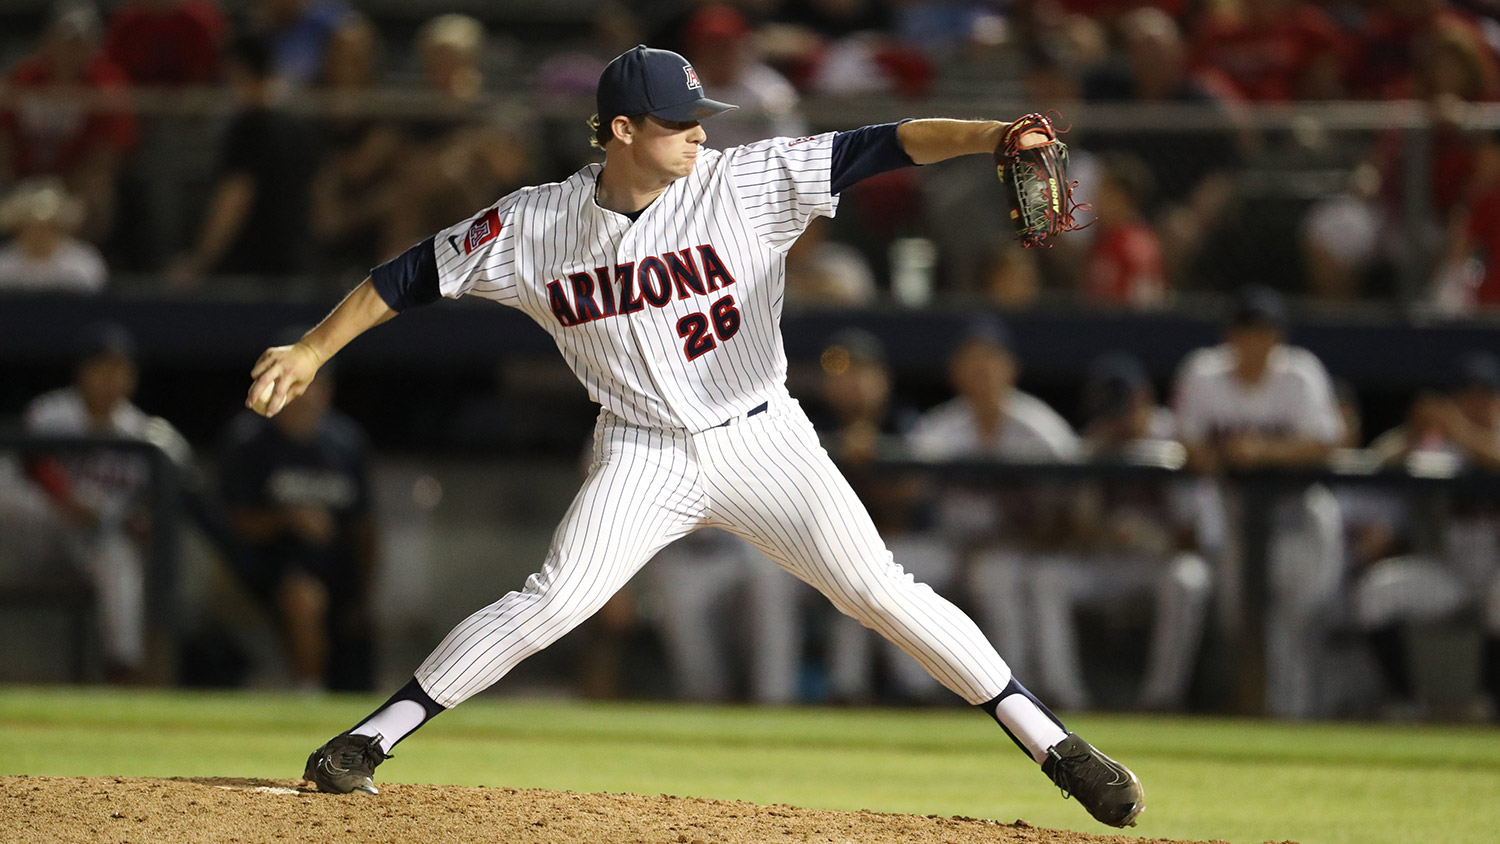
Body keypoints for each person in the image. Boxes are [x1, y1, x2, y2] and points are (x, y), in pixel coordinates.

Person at [249, 46, 1144, 827]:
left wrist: (993, 135)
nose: (701, 134)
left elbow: (888, 141)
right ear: (622, 130)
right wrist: (314, 348)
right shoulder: (533, 224)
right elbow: (409, 274)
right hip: (642, 451)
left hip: (762, 436)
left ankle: (1059, 750)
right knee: (556, 598)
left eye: (700, 118)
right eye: (680, 122)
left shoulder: (743, 182)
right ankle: (365, 742)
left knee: (879, 587)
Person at [1171, 285, 1345, 719]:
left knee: (1298, 623)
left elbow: (1328, 443)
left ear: (1277, 337)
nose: (1255, 342)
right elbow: (1188, 444)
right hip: (1235, 516)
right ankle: (1259, 716)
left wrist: (1262, 451)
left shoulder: (1300, 373)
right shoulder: (1203, 373)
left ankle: (1297, 718)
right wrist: (1221, 456)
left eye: (1264, 332)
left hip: (1299, 514)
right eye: (1247, 332)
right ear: (1230, 336)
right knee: (1238, 622)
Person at [905, 317, 1083, 691]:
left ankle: (1017, 694)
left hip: (1021, 547)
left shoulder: (1041, 430)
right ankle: (917, 692)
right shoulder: (940, 429)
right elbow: (905, 489)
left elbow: (1076, 501)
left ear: (1011, 368)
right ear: (955, 371)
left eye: (991, 358)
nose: (982, 369)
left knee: (996, 574)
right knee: (892, 571)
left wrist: (1037, 537)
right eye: (972, 360)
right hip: (952, 544)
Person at [1028, 353, 1211, 711]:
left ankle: (1161, 699)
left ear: (1142, 400)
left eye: (1121, 411)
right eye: (1107, 414)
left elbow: (1200, 539)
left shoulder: (1176, 442)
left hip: (1158, 562)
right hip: (1107, 564)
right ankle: (1065, 698)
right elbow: (1070, 531)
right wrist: (1092, 525)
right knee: (1047, 576)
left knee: (1188, 579)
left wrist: (1152, 538)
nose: (1115, 423)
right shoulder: (1094, 445)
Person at [23, 322, 191, 682]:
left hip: (95, 536)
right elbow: (31, 468)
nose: (112, 378)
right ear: (82, 371)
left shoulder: (144, 430)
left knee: (118, 559)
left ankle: (123, 668)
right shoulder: (51, 413)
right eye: (102, 367)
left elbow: (160, 499)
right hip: (40, 528)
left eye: (121, 370)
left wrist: (143, 519)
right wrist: (69, 499)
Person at [218, 343, 378, 692]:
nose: (305, 394)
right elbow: (234, 523)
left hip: (335, 566)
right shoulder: (249, 440)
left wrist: (365, 594)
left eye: (312, 383)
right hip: (269, 565)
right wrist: (289, 519)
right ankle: (309, 695)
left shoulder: (347, 441)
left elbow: (365, 528)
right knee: (302, 595)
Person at [1355, 352, 1500, 720]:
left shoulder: (1482, 438)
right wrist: (1411, 433)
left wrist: (1459, 430)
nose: (1476, 402)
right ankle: (1405, 701)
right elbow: (1376, 466)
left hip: (1496, 572)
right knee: (1378, 590)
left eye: (1486, 394)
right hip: (1448, 572)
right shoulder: (1437, 445)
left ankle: (1488, 701)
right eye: (1467, 394)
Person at [169, 32, 321, 284]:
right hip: (297, 271)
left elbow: (235, 197)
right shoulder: (302, 126)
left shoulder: (249, 128)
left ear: (238, 69)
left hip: (248, 274)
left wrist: (198, 263)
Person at [0, 3, 137, 244]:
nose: (71, 51)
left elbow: (109, 152)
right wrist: (11, 178)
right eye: (64, 41)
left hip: (73, 183)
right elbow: (4, 135)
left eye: (80, 44)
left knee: (99, 191)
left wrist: (62, 191)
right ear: (47, 41)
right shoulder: (25, 77)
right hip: (21, 178)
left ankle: (80, 257)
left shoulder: (106, 84)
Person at [0, 178, 108, 293]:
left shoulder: (83, 263)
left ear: (58, 227)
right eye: (30, 226)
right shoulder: (4, 264)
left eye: (45, 227)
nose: (38, 234)